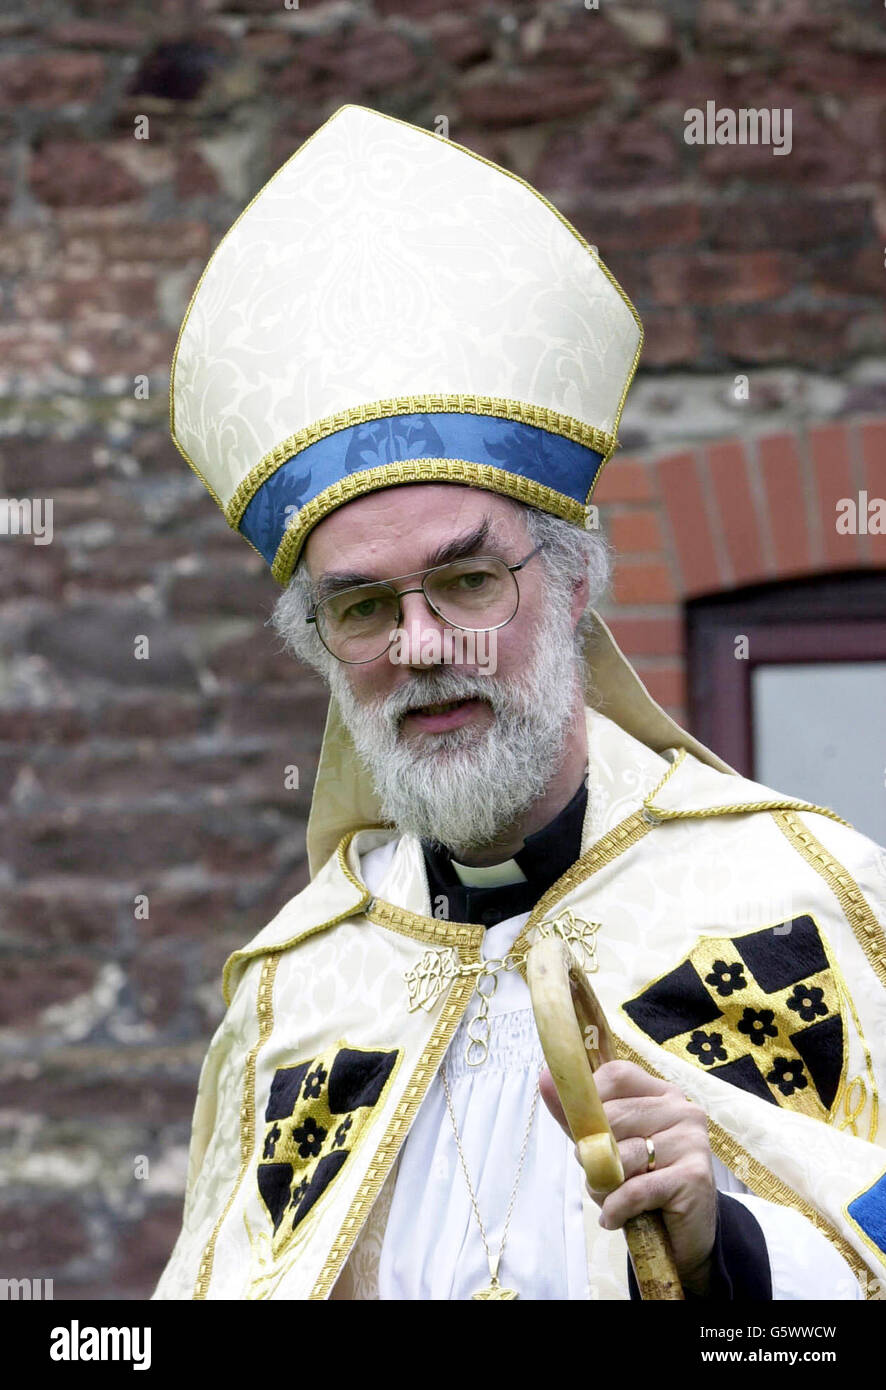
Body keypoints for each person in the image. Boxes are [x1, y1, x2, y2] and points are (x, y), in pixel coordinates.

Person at [155, 105, 886, 1301]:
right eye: (362, 608)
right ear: (322, 650)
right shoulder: (299, 987)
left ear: (577, 576)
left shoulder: (800, 896)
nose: (423, 645)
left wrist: (725, 1251)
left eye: (465, 579)